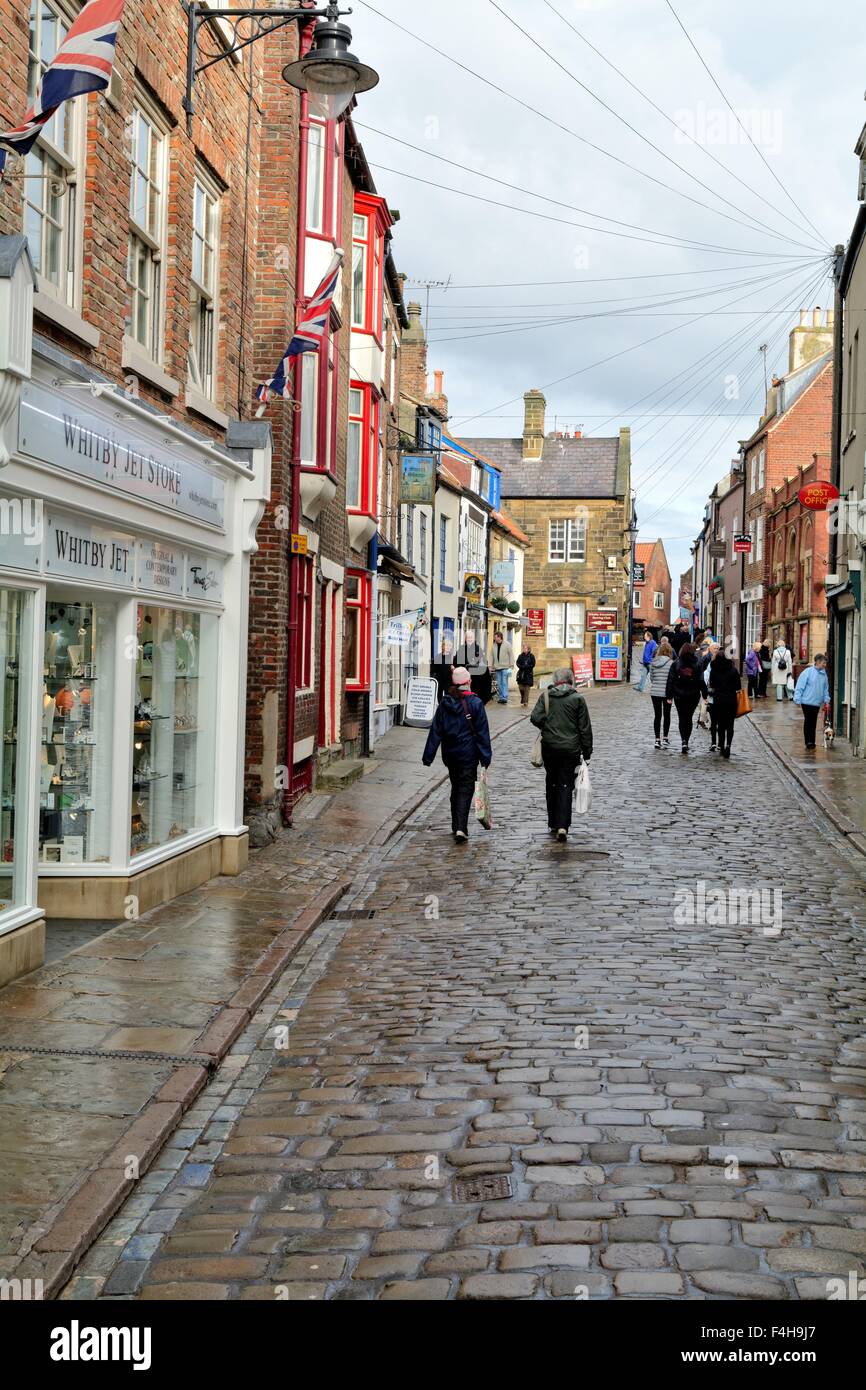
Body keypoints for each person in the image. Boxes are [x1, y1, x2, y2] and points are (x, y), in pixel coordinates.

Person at [422, 665, 492, 842]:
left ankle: (456, 825)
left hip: (450, 754)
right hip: (468, 754)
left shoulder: (445, 703)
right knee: (465, 788)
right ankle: (461, 827)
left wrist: (428, 755)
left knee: (456, 786)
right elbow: (482, 733)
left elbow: (436, 731)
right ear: (468, 682)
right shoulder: (476, 703)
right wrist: (485, 757)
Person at [530, 667, 593, 842]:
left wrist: (547, 725)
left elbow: (535, 717)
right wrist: (587, 752)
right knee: (565, 784)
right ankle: (563, 826)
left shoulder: (546, 697)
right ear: (570, 681)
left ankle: (553, 822)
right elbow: (584, 728)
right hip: (570, 749)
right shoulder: (578, 699)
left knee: (551, 783)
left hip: (550, 747)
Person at [665, 640, 702, 753]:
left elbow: (670, 680)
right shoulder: (697, 663)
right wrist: (704, 694)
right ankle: (686, 739)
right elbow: (700, 680)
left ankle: (683, 741)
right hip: (693, 694)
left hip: (679, 695)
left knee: (682, 718)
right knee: (689, 717)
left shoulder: (676, 663)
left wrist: (669, 695)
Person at [707, 647, 742, 759]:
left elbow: (711, 685)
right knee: (730, 725)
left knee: (720, 725)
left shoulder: (714, 670)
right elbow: (738, 687)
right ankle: (728, 746)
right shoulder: (733, 670)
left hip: (718, 700)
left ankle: (721, 746)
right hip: (731, 700)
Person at [793, 653, 830, 749]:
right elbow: (800, 686)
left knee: (813, 722)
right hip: (807, 701)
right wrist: (797, 698)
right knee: (808, 721)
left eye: (825, 663)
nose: (824, 665)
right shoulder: (808, 672)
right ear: (817, 662)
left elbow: (826, 688)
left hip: (817, 702)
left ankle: (812, 741)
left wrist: (826, 699)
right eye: (823, 663)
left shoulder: (824, 675)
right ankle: (808, 741)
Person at [648, 638, 674, 747]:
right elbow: (672, 679)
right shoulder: (671, 663)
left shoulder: (653, 662)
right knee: (667, 715)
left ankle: (657, 739)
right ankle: (665, 738)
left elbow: (652, 678)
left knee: (657, 716)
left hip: (655, 692)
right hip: (666, 693)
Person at [454, 632, 490, 703]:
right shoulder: (461, 649)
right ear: (465, 639)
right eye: (468, 637)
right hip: (464, 682)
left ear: (474, 639)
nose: (469, 639)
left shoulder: (478, 650)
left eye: (471, 638)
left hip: (477, 681)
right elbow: (456, 663)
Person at [490, 630, 515, 704]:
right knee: (499, 684)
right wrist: (490, 666)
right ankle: (501, 697)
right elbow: (491, 656)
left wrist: (511, 665)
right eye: (494, 637)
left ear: (499, 637)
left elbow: (511, 655)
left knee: (504, 683)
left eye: (495, 637)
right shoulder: (494, 645)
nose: (494, 639)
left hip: (505, 667)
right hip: (497, 667)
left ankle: (504, 697)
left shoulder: (507, 644)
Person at [431, 633, 455, 702]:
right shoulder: (438, 657)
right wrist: (434, 679)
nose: (449, 647)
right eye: (447, 645)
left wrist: (453, 669)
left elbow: (456, 671)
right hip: (440, 681)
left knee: (448, 698)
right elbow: (433, 670)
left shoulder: (453, 658)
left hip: (449, 682)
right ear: (443, 646)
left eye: (450, 646)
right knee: (440, 699)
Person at [771, 637, 794, 701]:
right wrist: (790, 671)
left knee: (779, 683)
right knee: (786, 682)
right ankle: (790, 697)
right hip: (786, 668)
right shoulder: (788, 652)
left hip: (777, 669)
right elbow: (790, 662)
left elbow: (773, 662)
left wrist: (772, 671)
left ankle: (779, 698)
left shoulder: (775, 651)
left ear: (778, 645)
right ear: (784, 645)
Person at [636, 627, 658, 693]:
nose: (644, 637)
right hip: (645, 662)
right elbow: (645, 652)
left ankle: (655, 689)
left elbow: (654, 652)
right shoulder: (647, 643)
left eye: (645, 636)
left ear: (648, 636)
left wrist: (650, 659)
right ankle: (640, 687)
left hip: (650, 662)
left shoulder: (653, 643)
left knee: (652, 676)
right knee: (643, 675)